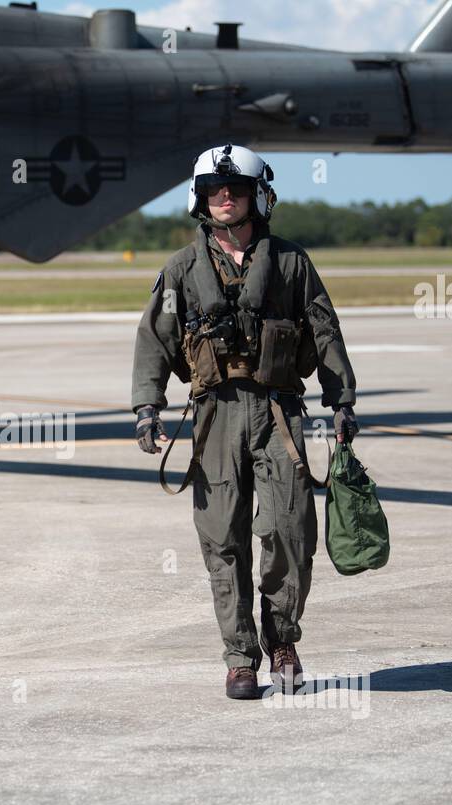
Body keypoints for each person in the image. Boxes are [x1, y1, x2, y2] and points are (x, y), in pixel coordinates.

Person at [130, 144, 359, 700]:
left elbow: (325, 334)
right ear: (200, 198)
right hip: (214, 417)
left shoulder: (292, 264)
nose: (224, 197)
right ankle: (240, 658)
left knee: (291, 529)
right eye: (214, 189)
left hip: (279, 412)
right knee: (222, 540)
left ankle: (282, 639)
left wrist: (342, 401)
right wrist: (146, 407)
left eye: (234, 189)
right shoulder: (182, 270)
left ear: (260, 196)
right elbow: (154, 340)